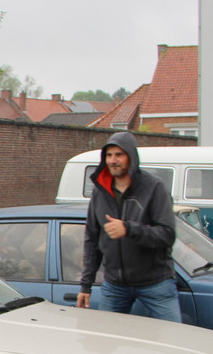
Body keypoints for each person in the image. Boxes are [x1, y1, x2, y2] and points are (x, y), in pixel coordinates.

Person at [77, 131, 181, 322]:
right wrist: (86, 285)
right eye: (109, 155)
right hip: (115, 285)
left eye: (119, 155)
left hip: (155, 283)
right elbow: (92, 240)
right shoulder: (100, 192)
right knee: (107, 341)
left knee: (173, 337)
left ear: (131, 157)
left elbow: (167, 235)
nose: (113, 160)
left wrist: (129, 229)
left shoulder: (154, 188)